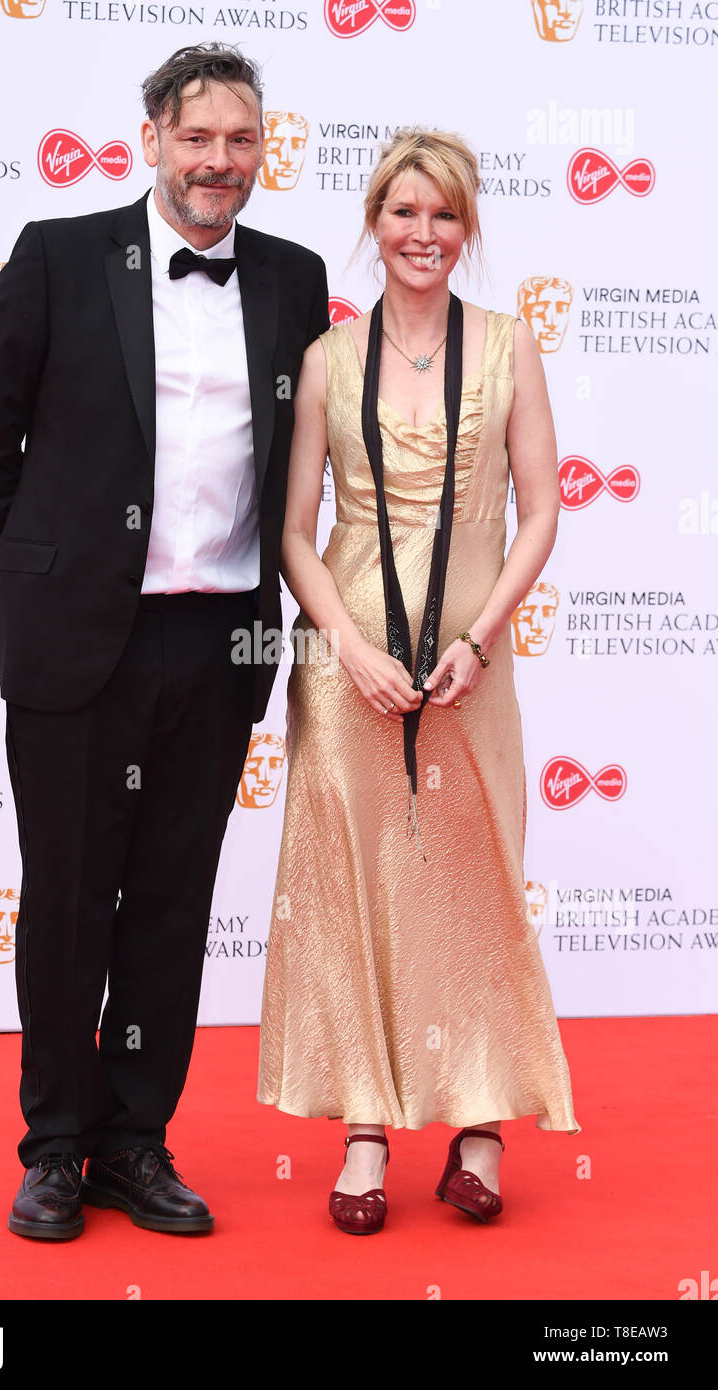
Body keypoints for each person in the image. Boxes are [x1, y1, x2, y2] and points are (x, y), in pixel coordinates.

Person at [0, 42, 329, 1240]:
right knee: (66, 902)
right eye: (197, 137)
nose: (219, 161)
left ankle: (133, 1140)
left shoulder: (293, 278)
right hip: (78, 643)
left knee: (170, 902)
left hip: (216, 645)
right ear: (150, 138)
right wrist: (37, 566)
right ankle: (55, 1146)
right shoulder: (58, 256)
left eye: (240, 140)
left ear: (262, 151)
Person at [257, 127, 580, 1234]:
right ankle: (363, 1125)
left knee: (472, 876)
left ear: (467, 226)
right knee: (351, 881)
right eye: (403, 212)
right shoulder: (327, 359)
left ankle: (479, 1121)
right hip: (347, 657)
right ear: (374, 222)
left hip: (469, 657)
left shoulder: (508, 346)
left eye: (443, 214)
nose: (423, 233)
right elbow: (294, 531)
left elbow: (540, 510)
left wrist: (480, 640)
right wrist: (346, 647)